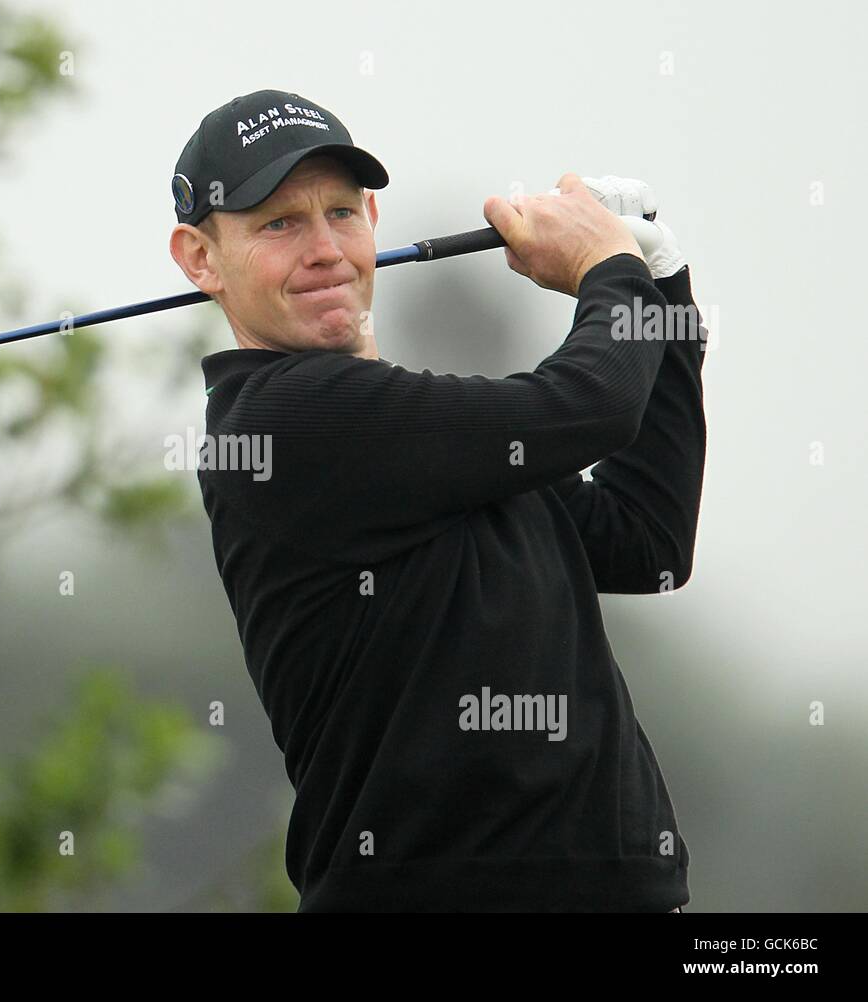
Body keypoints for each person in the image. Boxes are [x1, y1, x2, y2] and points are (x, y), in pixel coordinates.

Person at [168, 88, 706, 912]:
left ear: (373, 222)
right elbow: (590, 404)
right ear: (200, 259)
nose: (324, 249)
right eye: (278, 224)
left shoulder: (432, 445)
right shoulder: (285, 421)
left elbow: (647, 542)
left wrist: (664, 290)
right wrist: (608, 270)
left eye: (341, 213)